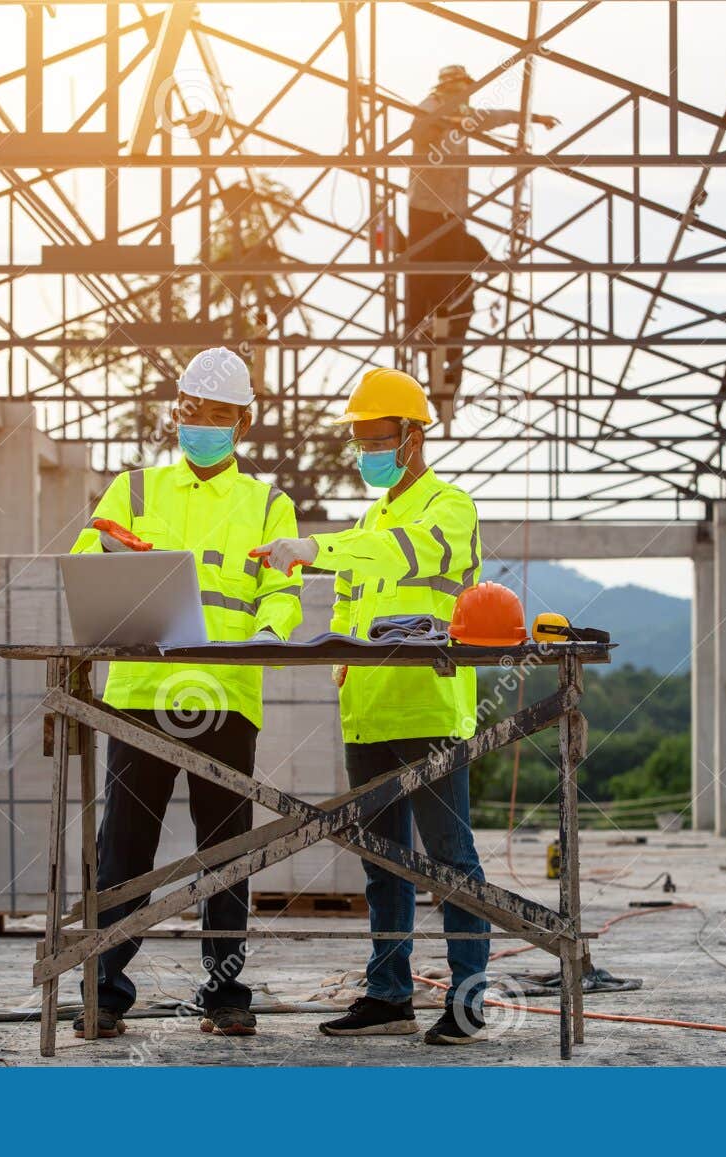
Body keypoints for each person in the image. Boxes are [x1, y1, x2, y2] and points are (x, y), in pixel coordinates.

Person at [68, 347, 302, 1040]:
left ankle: (225, 991)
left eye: (220, 415)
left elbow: (284, 591)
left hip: (225, 694)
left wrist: (266, 631)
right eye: (193, 412)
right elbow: (84, 562)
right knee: (125, 847)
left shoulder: (268, 503)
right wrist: (109, 555)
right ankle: (105, 986)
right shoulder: (133, 490)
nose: (203, 424)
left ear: (244, 424)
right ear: (177, 412)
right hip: (143, 691)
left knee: (226, 849)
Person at [251, 367, 491, 1045]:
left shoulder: (449, 507)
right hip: (369, 712)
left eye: (374, 439)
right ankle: (389, 992)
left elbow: (396, 557)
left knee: (450, 860)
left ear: (412, 438)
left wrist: (314, 547)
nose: (364, 452)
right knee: (381, 860)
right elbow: (356, 607)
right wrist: (340, 664)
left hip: (429, 708)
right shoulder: (371, 517)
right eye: (357, 440)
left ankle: (469, 999)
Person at [406, 64, 559, 392]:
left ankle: (443, 336)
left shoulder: (464, 114)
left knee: (453, 275)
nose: (468, 96)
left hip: (452, 213)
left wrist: (536, 118)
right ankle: (421, 332)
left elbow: (498, 116)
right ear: (448, 88)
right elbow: (420, 133)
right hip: (426, 209)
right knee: (422, 274)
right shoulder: (429, 109)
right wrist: (445, 123)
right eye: (463, 89)